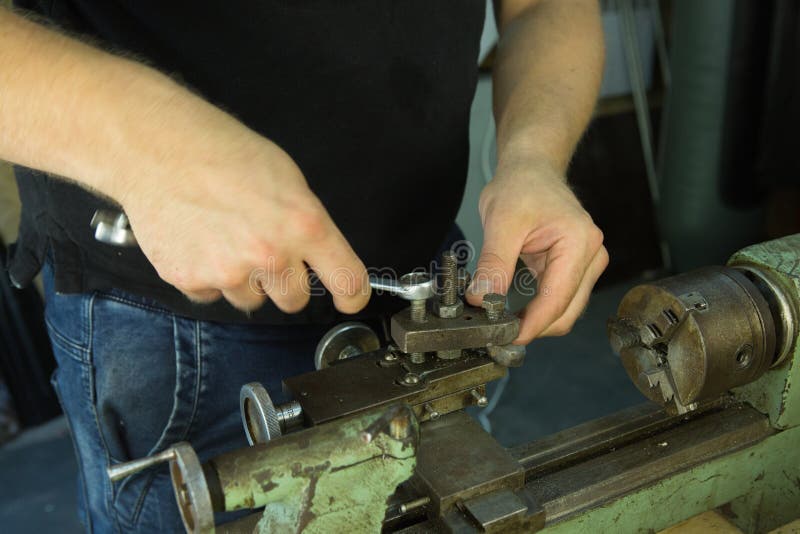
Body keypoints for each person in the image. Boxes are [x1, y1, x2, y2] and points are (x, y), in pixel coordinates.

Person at [0, 0, 608, 532]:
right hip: (181, 326)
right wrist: (147, 144)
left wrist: (534, 157)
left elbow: (542, 8)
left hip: (413, 282)